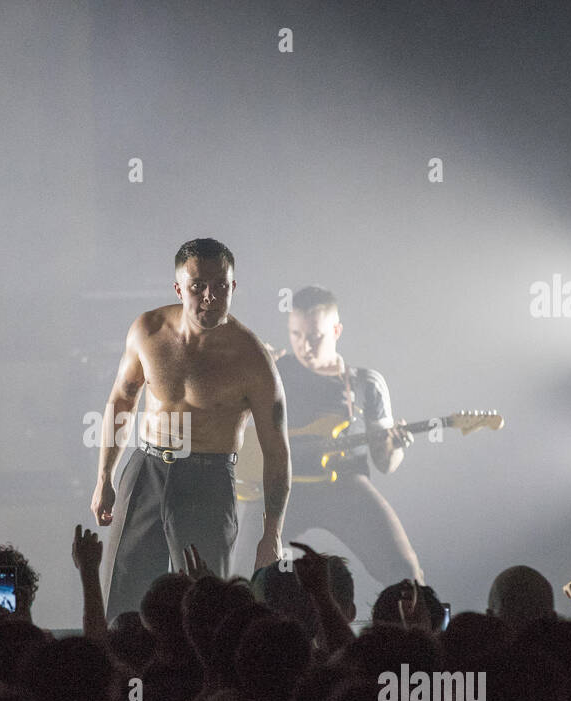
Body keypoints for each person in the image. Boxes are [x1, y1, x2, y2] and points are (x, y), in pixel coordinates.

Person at [92, 238, 290, 620]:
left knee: (205, 602)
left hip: (207, 477)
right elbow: (121, 400)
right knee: (123, 596)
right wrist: (105, 476)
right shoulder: (148, 330)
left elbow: (277, 452)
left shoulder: (252, 359)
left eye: (220, 286)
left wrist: (273, 532)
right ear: (179, 288)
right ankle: (127, 677)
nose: (209, 297)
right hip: (146, 468)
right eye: (198, 286)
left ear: (233, 287)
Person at [233, 285, 423, 588]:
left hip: (344, 487)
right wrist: (252, 371)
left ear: (336, 330)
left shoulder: (366, 383)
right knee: (242, 577)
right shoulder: (274, 371)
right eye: (296, 335)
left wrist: (395, 445)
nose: (304, 346)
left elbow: (386, 464)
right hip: (282, 487)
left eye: (314, 337)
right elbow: (234, 424)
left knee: (405, 571)